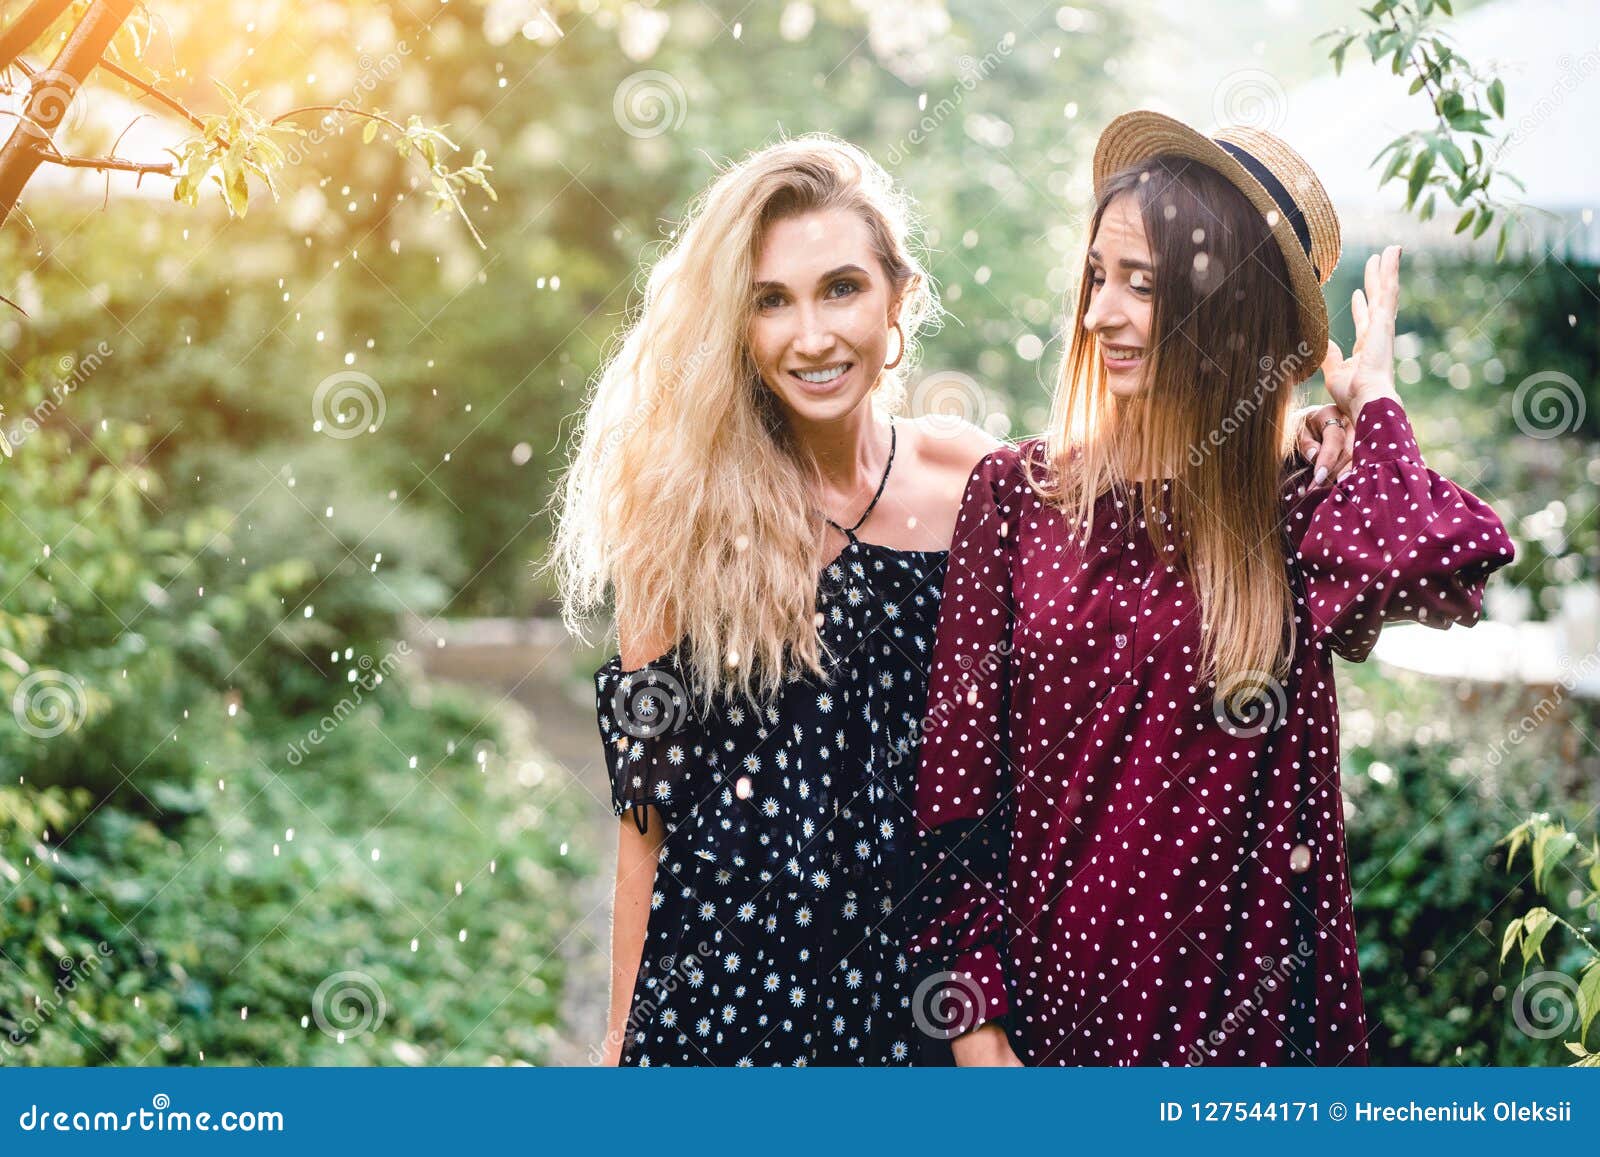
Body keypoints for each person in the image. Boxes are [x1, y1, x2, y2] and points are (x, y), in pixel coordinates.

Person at [909, 111, 1516, 1066]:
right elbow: (955, 797)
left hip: (1244, 1048)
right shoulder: (1018, 497)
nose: (1099, 314)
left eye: (1142, 286)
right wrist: (979, 1035)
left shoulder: (1295, 504)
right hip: (1049, 1037)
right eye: (1097, 277)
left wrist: (1376, 412)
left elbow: (1442, 566)